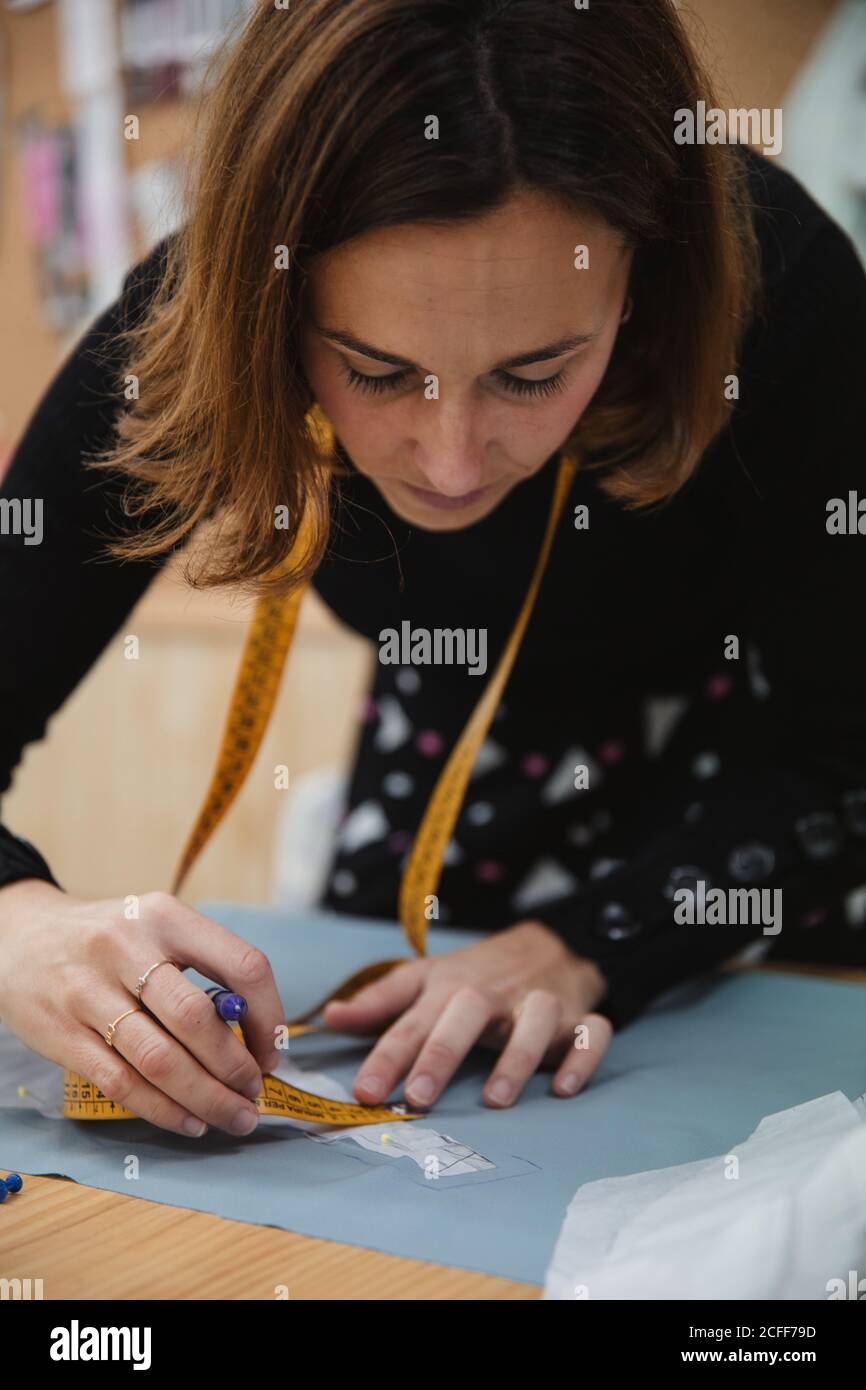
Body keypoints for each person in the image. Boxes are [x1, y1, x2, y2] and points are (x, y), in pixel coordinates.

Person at [1, 0, 865, 1139]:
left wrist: (587, 943)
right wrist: (16, 917)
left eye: (532, 373)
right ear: (273, 305)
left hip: (767, 798)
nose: (451, 465)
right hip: (448, 744)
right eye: (371, 368)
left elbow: (843, 757)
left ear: (646, 282)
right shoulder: (201, 310)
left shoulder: (785, 296)